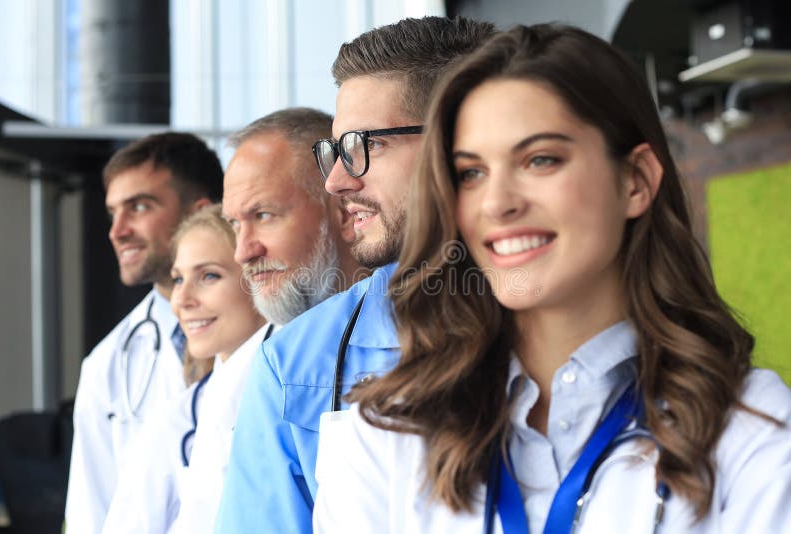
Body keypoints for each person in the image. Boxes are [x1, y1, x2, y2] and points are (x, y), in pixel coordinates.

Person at [312, 24, 791, 533]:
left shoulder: (753, 434)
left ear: (636, 180)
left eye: (540, 159)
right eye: (471, 172)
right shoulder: (383, 434)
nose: (498, 203)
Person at [215, 16, 496, 534]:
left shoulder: (562, 320)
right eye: (336, 151)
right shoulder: (297, 364)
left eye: (367, 144)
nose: (339, 181)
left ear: (459, 143)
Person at [151, 107, 359, 534]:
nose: (243, 250)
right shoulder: (245, 377)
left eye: (263, 215)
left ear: (341, 208)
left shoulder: (414, 334)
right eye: (234, 223)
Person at [65, 133, 223, 534]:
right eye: (112, 212)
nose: (117, 230)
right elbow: (89, 516)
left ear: (199, 213)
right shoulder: (107, 364)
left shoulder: (273, 337)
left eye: (138, 207)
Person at [101, 204, 265, 534]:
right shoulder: (174, 425)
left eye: (208, 276)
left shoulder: (302, 396)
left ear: (260, 279)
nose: (182, 299)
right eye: (178, 279)